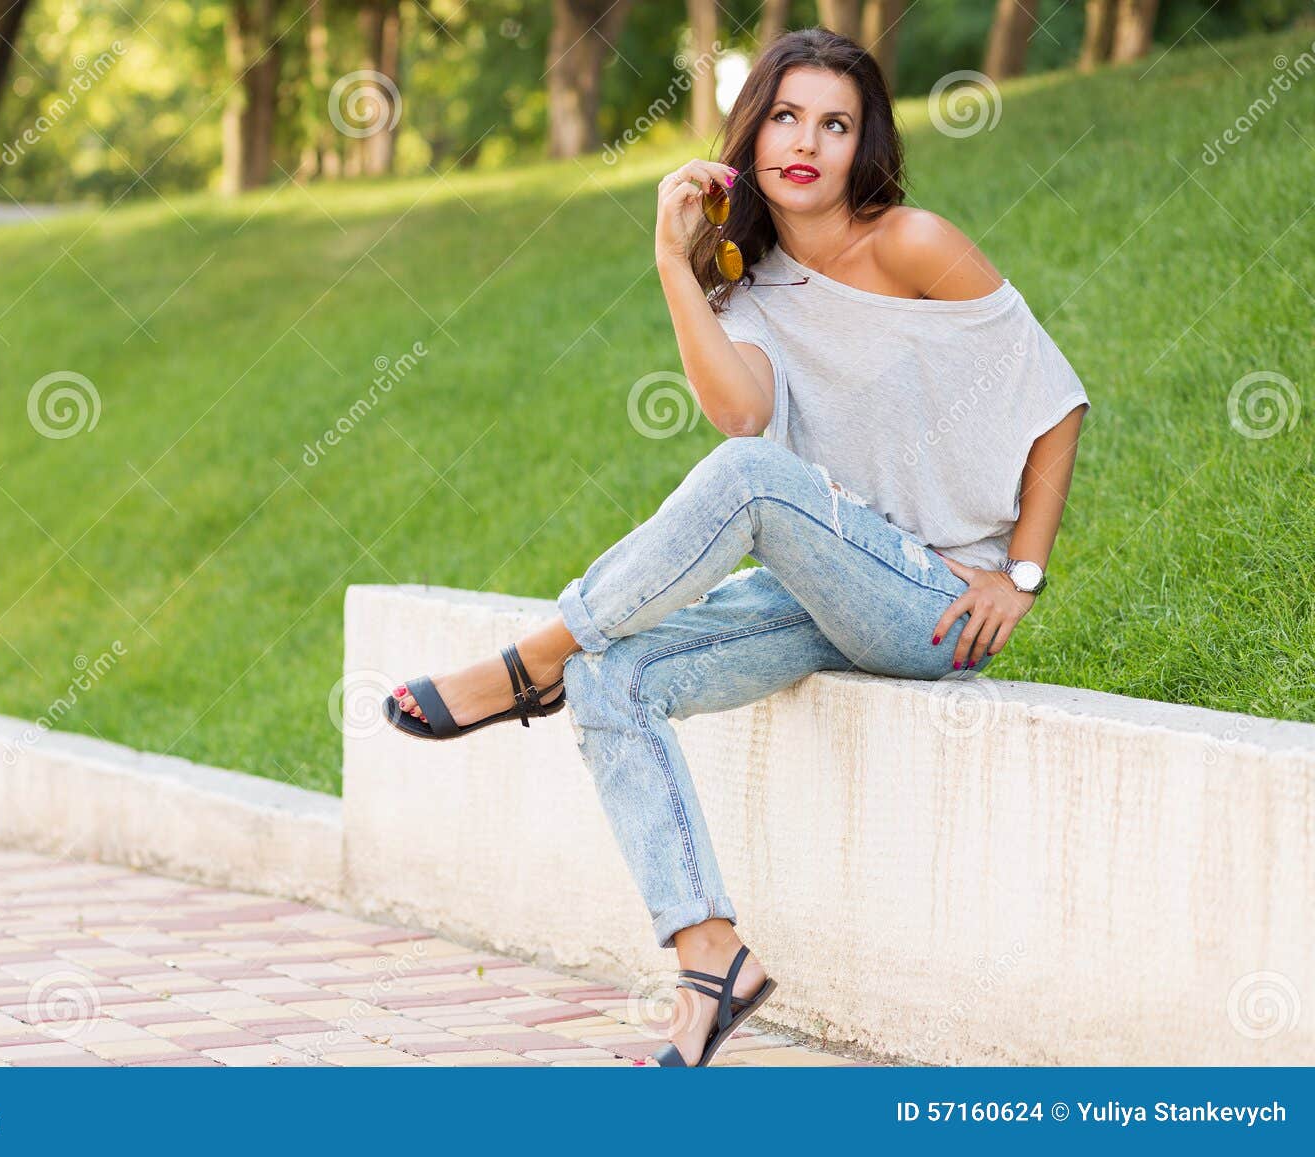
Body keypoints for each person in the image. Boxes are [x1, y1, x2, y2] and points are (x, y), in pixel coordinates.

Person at [384, 26, 1091, 1067]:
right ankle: (711, 957)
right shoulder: (748, 287)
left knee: (736, 501)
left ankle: (533, 656)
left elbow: (1054, 397)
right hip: (824, 593)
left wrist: (1019, 572)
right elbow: (738, 412)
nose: (807, 141)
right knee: (612, 678)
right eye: (786, 117)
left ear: (864, 145)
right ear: (751, 135)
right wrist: (673, 262)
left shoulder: (914, 244)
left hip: (932, 601)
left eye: (836, 123)